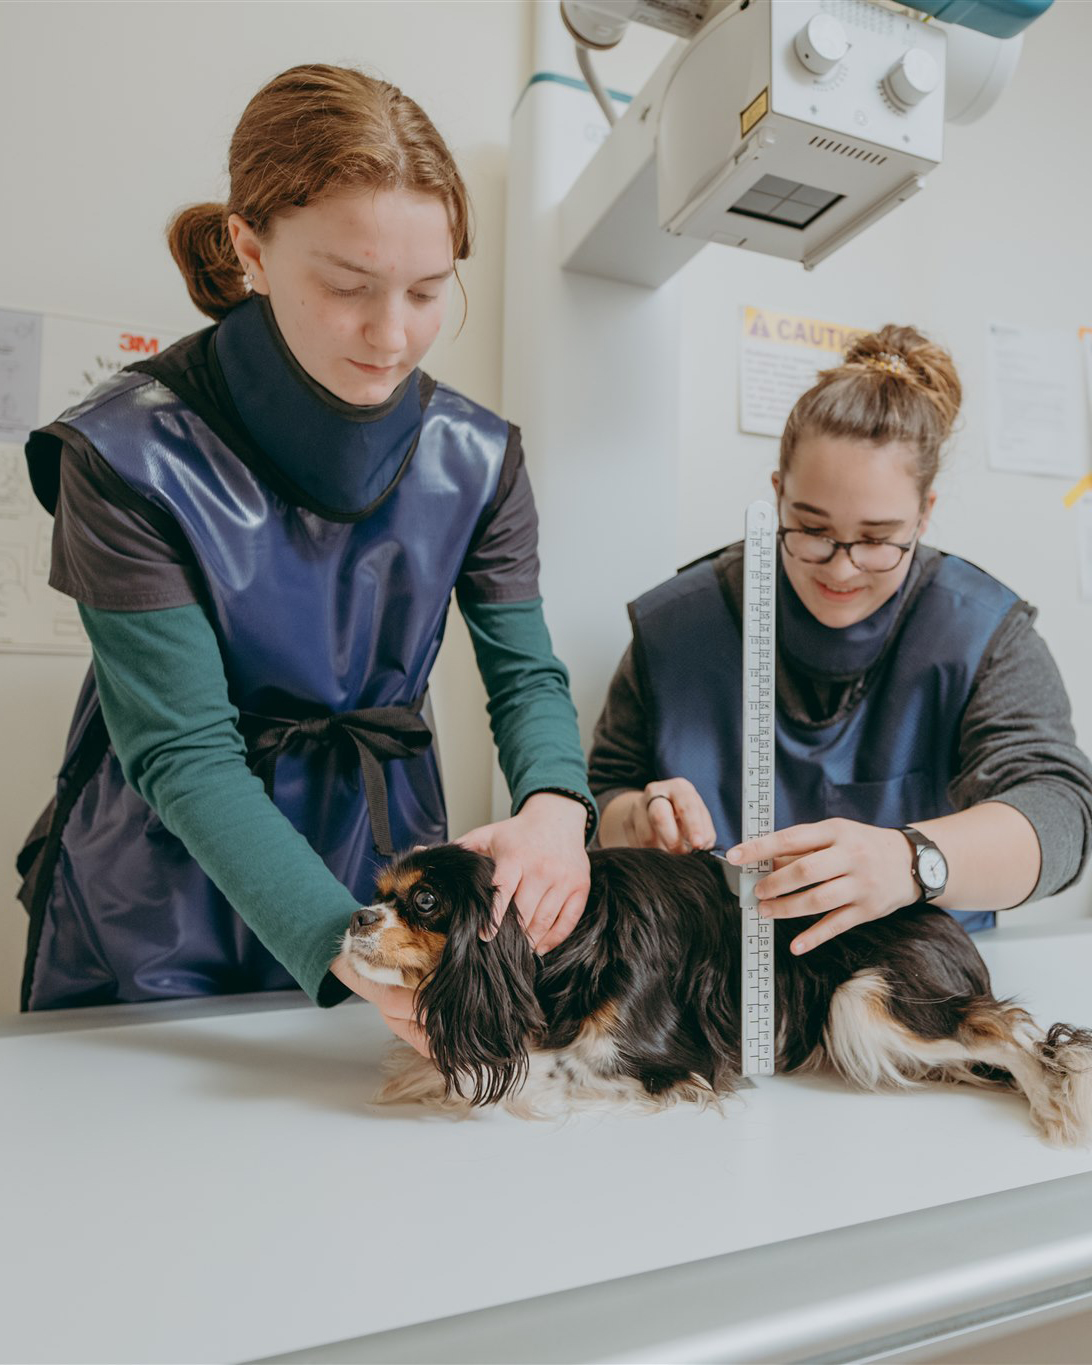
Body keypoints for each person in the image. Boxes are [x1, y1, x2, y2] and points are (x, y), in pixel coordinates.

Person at [17, 65, 594, 1040]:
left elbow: (526, 675)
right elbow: (184, 752)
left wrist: (554, 807)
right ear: (251, 248)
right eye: (349, 286)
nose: (393, 335)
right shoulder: (125, 453)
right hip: (160, 882)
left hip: (382, 851)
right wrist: (335, 937)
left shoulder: (480, 456)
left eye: (427, 290)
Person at [589, 325, 1092, 953]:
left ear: (925, 513)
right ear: (777, 494)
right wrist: (634, 818)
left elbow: (1060, 814)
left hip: (913, 985)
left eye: (878, 539)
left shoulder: (984, 634)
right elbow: (601, 793)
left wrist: (911, 862)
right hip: (704, 981)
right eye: (811, 528)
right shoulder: (678, 626)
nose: (841, 568)